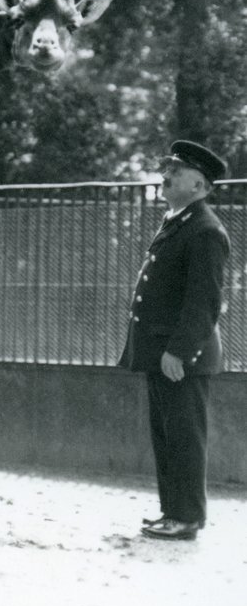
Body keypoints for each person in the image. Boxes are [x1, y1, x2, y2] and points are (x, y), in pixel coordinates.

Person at [119, 140, 230, 540]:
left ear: (199, 185)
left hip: (181, 356)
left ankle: (186, 517)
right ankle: (173, 512)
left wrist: (179, 352)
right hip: (163, 352)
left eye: (176, 171)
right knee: (167, 436)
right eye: (167, 167)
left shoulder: (205, 230)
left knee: (184, 438)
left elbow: (205, 302)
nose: (166, 175)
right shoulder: (179, 219)